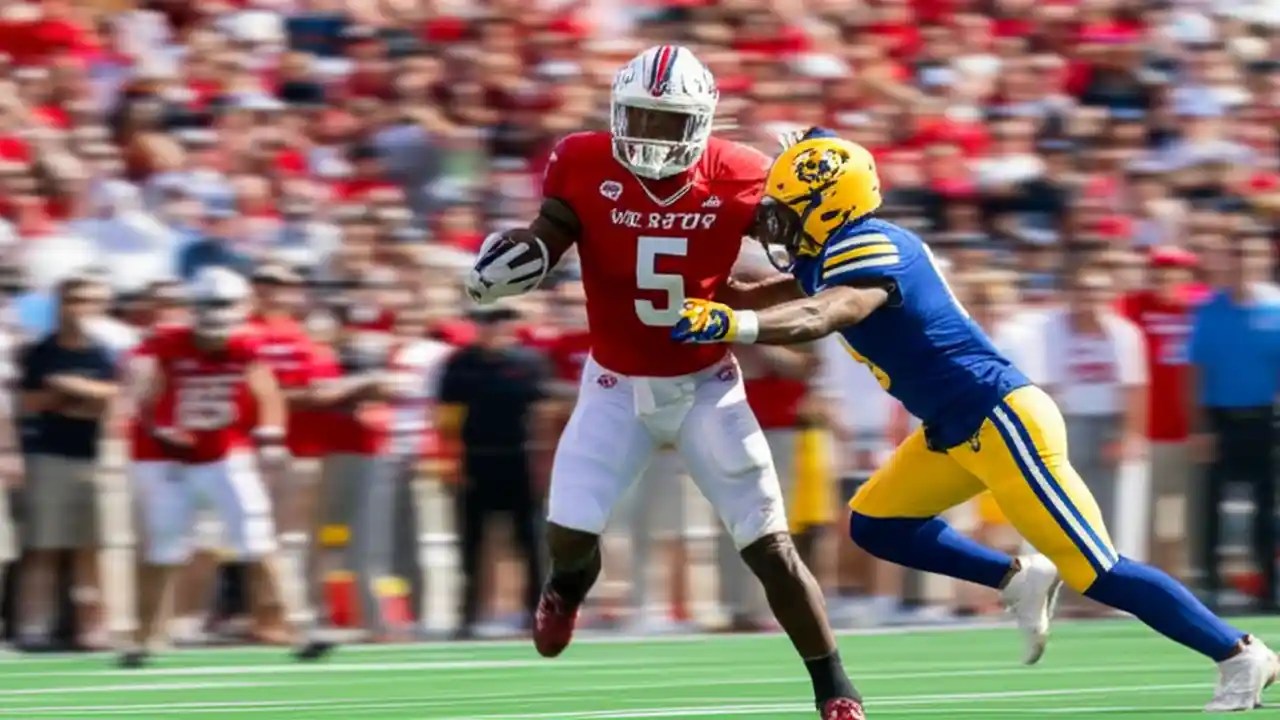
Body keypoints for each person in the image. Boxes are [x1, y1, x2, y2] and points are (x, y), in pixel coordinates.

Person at [671, 129, 1278, 713]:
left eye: (790, 208)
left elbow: (829, 310)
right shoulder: (829, 248)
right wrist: (721, 293)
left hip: (1000, 418)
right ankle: (1016, 578)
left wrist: (736, 324)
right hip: (954, 427)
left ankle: (1238, 652)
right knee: (877, 523)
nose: (777, 221)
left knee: (1097, 570)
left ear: (829, 208)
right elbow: (789, 286)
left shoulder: (869, 246)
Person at [464, 46, 862, 720]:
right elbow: (549, 233)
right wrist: (519, 257)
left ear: (701, 122)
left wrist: (811, 210)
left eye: (667, 120)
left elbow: (801, 253)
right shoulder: (583, 161)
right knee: (569, 533)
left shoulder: (741, 173)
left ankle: (836, 688)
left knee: (769, 544)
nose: (649, 135)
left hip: (707, 384)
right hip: (615, 385)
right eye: (639, 117)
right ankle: (566, 589)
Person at [123, 267, 330, 667]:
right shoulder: (167, 340)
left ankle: (300, 630)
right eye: (210, 304)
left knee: (258, 537)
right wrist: (154, 423)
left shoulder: (247, 342)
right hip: (166, 456)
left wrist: (271, 435)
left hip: (222, 451)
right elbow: (139, 384)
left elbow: (266, 391)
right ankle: (143, 639)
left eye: (224, 304)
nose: (217, 316)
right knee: (165, 547)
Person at [437, 304, 549, 638]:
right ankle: (468, 615)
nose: (492, 328)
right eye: (485, 322)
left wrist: (544, 462)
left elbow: (543, 413)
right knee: (470, 542)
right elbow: (446, 417)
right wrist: (450, 461)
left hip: (520, 458)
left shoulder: (529, 362)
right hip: (475, 460)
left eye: (499, 321)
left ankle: (538, 614)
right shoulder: (459, 364)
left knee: (529, 542)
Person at [17, 274, 117, 649]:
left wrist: (67, 388)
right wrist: (83, 397)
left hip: (93, 457)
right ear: (60, 305)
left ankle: (93, 628)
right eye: (74, 300)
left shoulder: (104, 352)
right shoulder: (42, 351)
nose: (80, 308)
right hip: (47, 456)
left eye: (89, 300)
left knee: (90, 548)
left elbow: (112, 400)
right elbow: (31, 403)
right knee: (43, 546)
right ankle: (33, 628)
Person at [1188, 232, 1280, 610]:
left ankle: (1268, 587)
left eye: (1252, 254)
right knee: (1210, 505)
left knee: (1268, 508)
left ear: (1265, 260)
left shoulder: (1276, 309)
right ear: (1227, 260)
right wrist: (1199, 428)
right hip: (1219, 420)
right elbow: (1196, 371)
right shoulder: (1209, 311)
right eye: (1238, 254)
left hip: (1267, 419)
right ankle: (1209, 585)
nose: (1244, 262)